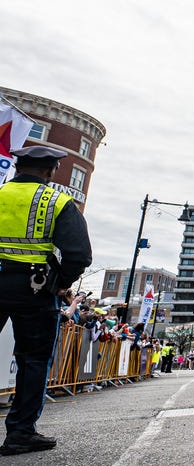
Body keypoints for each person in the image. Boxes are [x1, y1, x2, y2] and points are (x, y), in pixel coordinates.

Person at [0, 146, 91, 456]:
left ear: (17, 167)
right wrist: (62, 283)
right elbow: (79, 254)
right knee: (33, 361)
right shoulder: (57, 201)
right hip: (34, 288)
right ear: (51, 171)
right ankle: (20, 432)